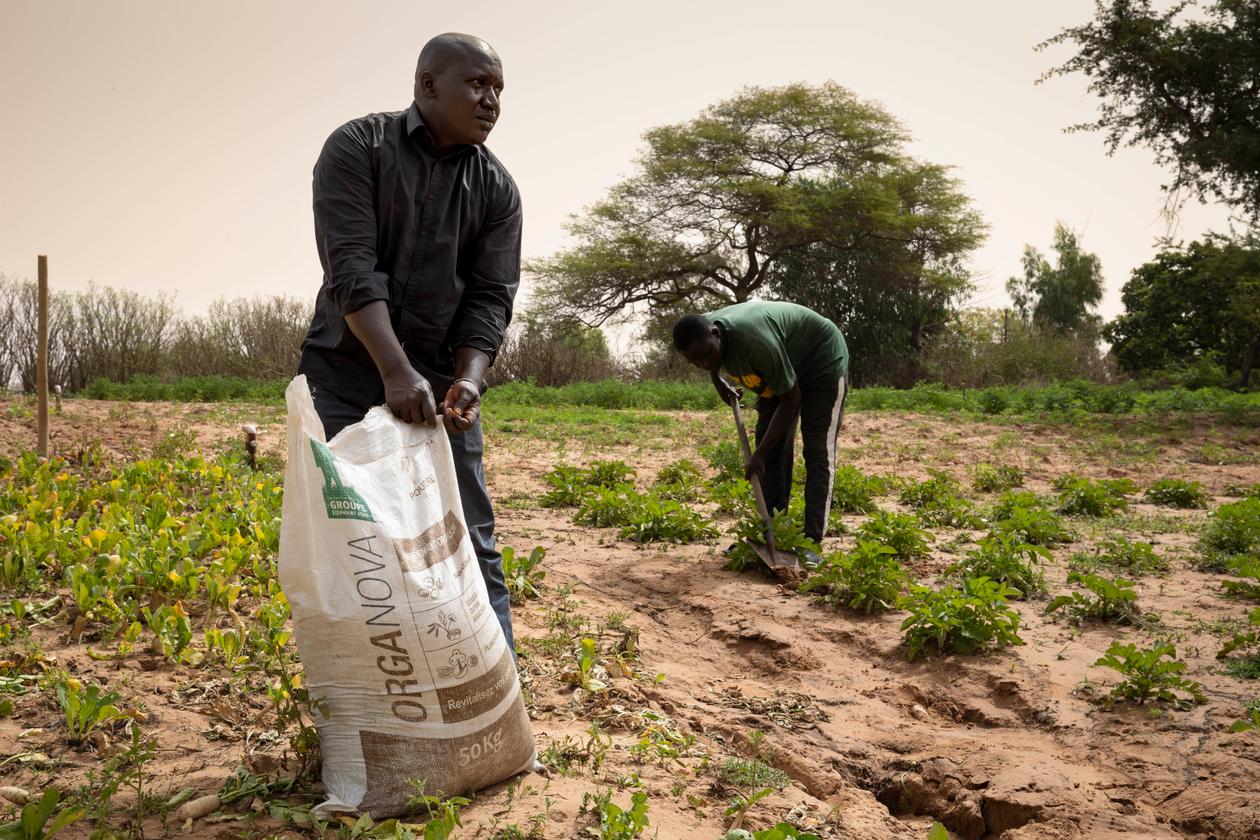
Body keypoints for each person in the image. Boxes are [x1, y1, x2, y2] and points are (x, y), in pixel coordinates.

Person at [297, 33, 520, 649]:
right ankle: (367, 705)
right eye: (477, 84)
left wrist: (468, 381)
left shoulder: (498, 190)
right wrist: (394, 371)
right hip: (345, 371)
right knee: (356, 546)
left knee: (470, 538)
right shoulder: (357, 148)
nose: (490, 100)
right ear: (428, 86)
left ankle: (502, 707)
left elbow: (489, 299)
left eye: (497, 89)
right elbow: (351, 269)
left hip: (442, 386)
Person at [673, 301, 849, 550]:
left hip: (821, 361)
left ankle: (812, 541)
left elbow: (792, 400)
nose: (704, 364)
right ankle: (772, 533)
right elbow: (708, 358)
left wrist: (759, 455)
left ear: (717, 333)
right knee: (771, 451)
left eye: (706, 357)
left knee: (817, 450)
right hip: (780, 368)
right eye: (696, 363)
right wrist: (717, 378)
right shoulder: (703, 332)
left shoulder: (755, 341)